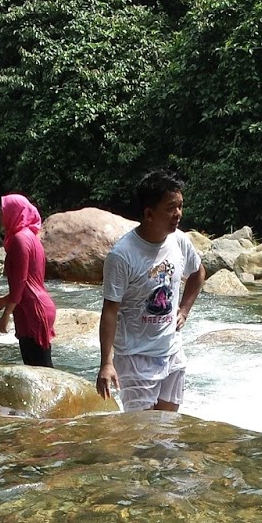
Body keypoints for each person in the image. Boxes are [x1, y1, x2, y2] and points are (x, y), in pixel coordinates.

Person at [97, 169, 205, 412]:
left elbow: (198, 273)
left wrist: (184, 310)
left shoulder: (179, 240)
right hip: (135, 357)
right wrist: (106, 363)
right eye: (170, 208)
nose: (177, 214)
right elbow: (110, 311)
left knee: (166, 429)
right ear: (148, 213)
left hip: (172, 351)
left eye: (180, 206)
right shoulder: (122, 255)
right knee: (142, 434)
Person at [0, 193, 56, 366]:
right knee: (41, 368)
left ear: (14, 211)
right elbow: (29, 280)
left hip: (32, 311)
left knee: (40, 371)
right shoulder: (30, 236)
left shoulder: (20, 239)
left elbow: (21, 282)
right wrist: (6, 299)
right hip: (36, 306)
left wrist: (5, 316)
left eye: (2, 210)